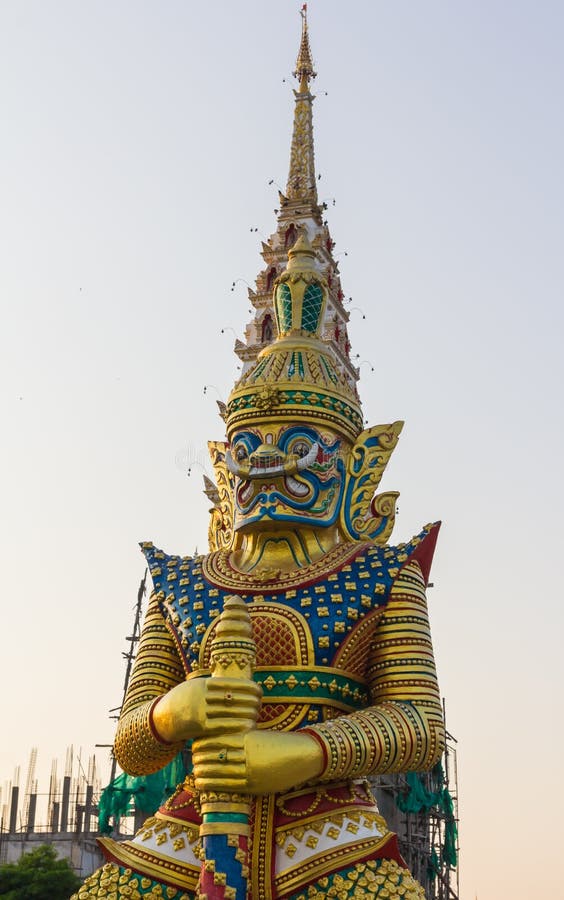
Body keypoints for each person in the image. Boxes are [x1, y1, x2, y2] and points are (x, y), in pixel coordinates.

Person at [73, 235, 444, 900]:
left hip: (328, 830)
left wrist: (307, 752)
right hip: (191, 828)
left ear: (354, 464)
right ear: (227, 459)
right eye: (251, 446)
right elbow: (133, 748)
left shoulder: (382, 575)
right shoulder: (185, 584)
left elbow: (419, 726)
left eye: (299, 445)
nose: (268, 463)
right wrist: (171, 713)